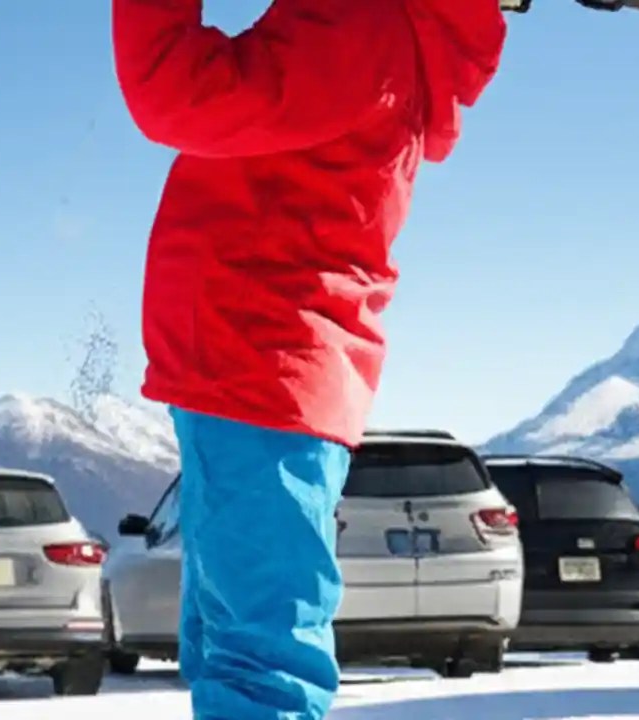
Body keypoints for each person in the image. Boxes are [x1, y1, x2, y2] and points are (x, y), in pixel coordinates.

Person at [112, 1, 507, 717]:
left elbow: (177, 90)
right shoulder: (380, 30)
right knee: (232, 650)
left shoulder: (358, 28)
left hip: (262, 365)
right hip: (255, 370)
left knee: (259, 663)